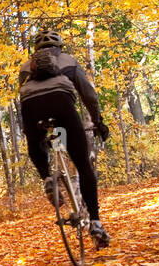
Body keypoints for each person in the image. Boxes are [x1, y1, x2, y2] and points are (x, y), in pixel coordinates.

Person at [17, 29, 111, 248]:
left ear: (36, 50)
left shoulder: (25, 67)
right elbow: (88, 94)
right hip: (62, 104)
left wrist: (30, 131)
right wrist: (98, 122)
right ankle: (95, 223)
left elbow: (23, 95)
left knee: (37, 144)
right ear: (59, 47)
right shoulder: (68, 60)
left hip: (31, 106)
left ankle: (47, 179)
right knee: (84, 167)